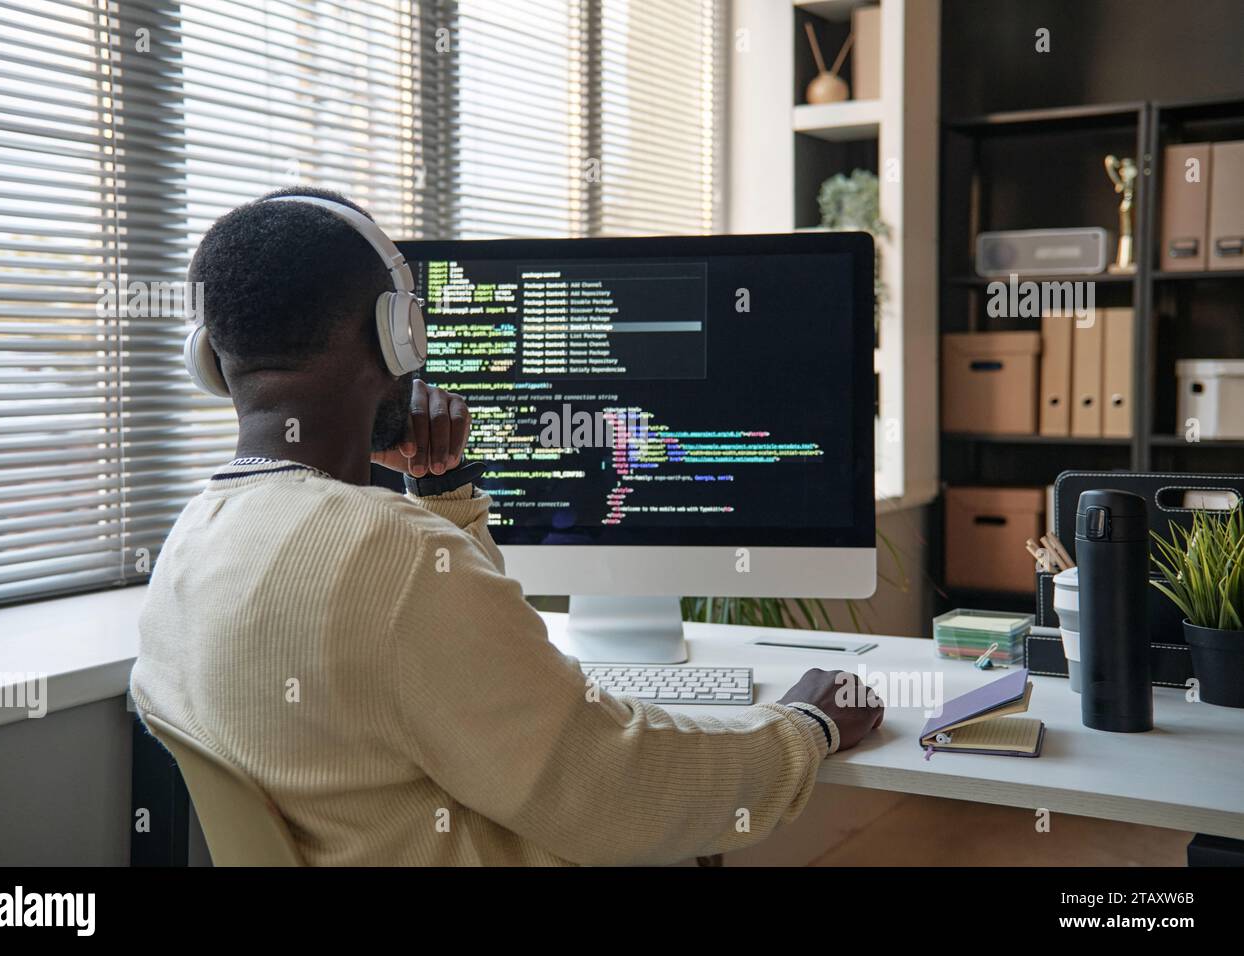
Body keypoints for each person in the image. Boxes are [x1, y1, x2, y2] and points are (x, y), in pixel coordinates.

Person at [130, 186, 885, 866]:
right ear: (397, 336)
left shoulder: (189, 547)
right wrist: (805, 725)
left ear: (213, 361)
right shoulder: (390, 556)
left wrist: (445, 493)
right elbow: (614, 793)